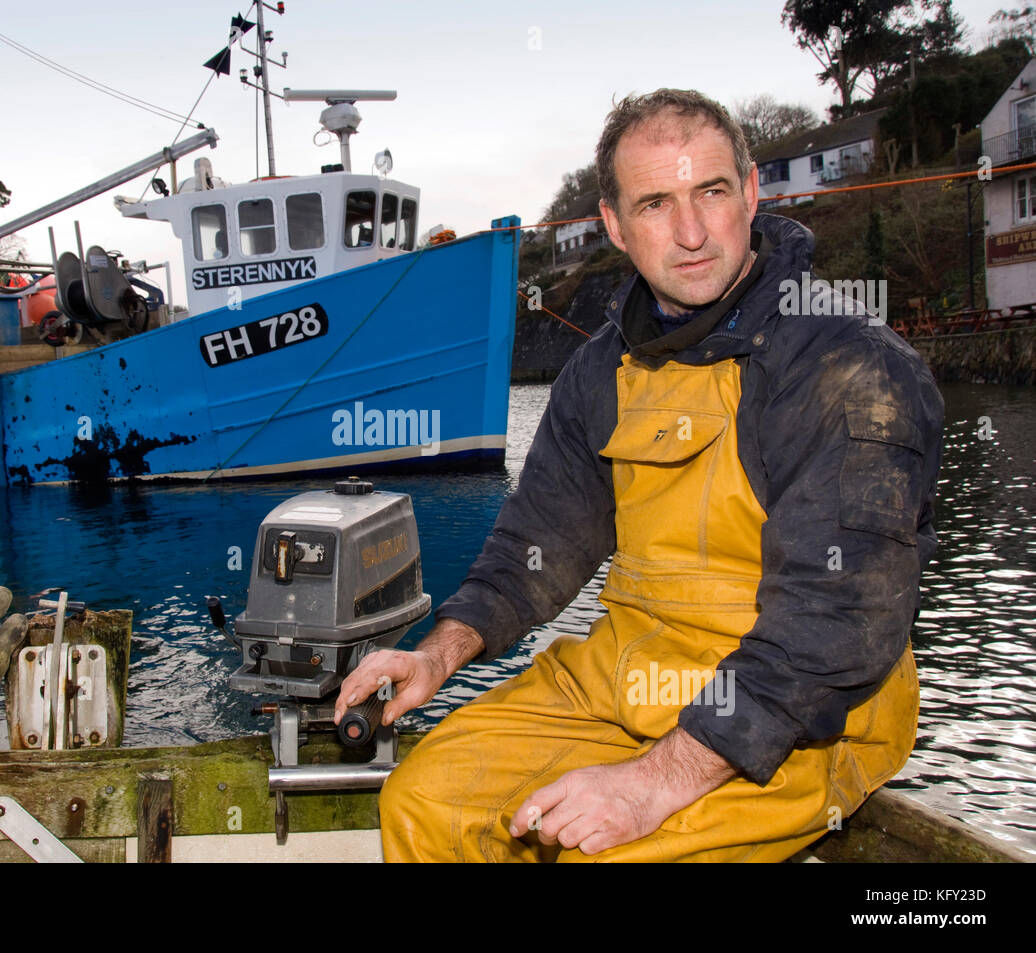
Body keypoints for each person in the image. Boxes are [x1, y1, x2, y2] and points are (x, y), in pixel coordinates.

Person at [333, 88, 945, 862]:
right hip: (627, 677)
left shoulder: (851, 368)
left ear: (752, 194)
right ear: (616, 226)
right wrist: (438, 653)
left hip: (798, 714)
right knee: (423, 801)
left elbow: (831, 631)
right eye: (656, 203)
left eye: (712, 193)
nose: (691, 232)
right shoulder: (598, 374)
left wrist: (652, 783)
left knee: (603, 854)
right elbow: (536, 547)